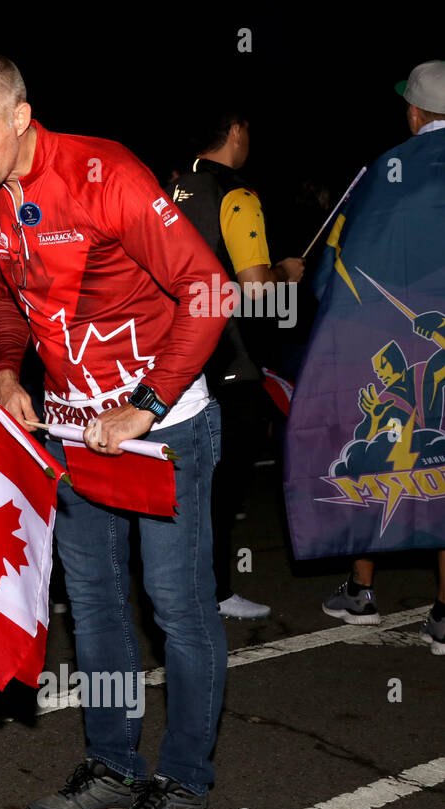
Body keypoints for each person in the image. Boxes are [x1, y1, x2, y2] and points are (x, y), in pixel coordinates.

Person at [0, 50, 228, 809]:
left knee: (178, 610)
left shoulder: (107, 174)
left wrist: (148, 405)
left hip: (161, 429)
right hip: (68, 433)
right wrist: (5, 369)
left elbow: (210, 290)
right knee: (94, 608)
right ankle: (112, 765)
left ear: (22, 118)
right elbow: (6, 295)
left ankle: (189, 783)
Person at [315, 60, 445, 655]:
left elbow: (339, 257)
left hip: (388, 343)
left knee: (379, 452)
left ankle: (362, 591)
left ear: (415, 112)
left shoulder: (384, 172)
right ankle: (444, 614)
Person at [169, 107, 305, 620]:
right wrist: (286, 274)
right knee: (222, 485)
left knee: (184, 481)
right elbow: (258, 293)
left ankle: (178, 587)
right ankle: (216, 592)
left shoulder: (172, 190)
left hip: (173, 356)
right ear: (236, 132)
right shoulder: (237, 194)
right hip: (229, 359)